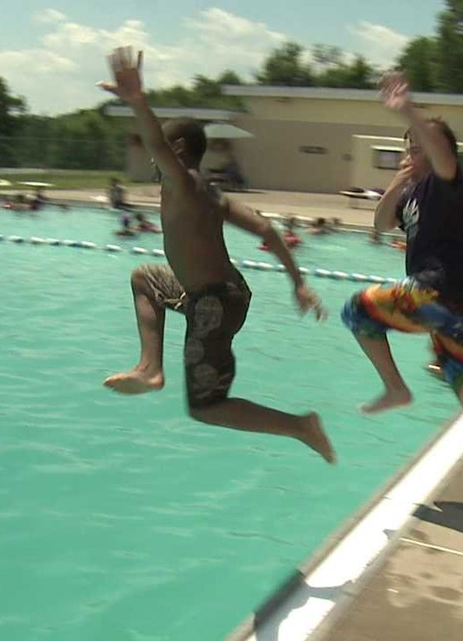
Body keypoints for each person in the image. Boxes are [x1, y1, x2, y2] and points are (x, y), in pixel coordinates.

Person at [97, 46, 335, 464]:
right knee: (145, 278)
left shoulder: (182, 183)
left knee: (207, 406)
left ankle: (301, 426)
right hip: (221, 295)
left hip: (213, 303)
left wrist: (137, 101)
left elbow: (155, 141)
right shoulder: (210, 192)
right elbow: (266, 229)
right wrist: (297, 283)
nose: (156, 159)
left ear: (181, 149)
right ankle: (150, 366)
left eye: (165, 150)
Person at [340, 71, 463, 518]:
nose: (415, 150)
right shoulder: (413, 192)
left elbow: (438, 151)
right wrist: (397, 183)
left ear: (443, 152)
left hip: (437, 292)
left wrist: (412, 114)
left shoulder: (448, 182)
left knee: (357, 310)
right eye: (409, 146)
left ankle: (396, 387)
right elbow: (379, 224)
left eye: (421, 144)